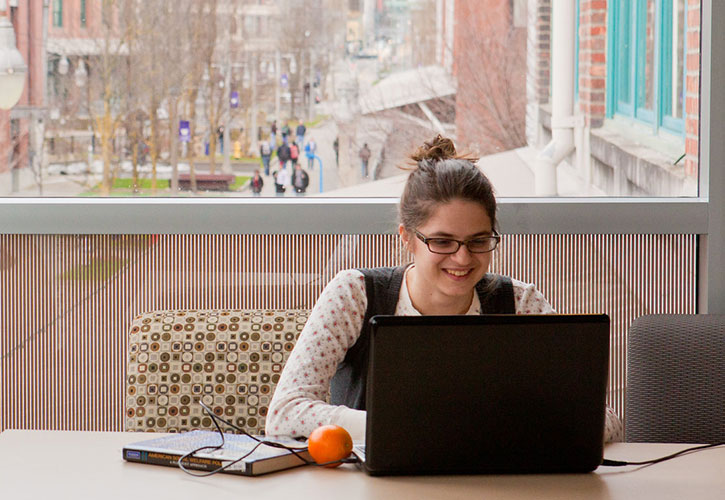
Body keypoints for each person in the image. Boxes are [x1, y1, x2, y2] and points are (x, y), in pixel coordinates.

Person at [265, 135, 623, 443]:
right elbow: (284, 414)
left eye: (478, 240)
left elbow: (606, 422)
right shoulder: (355, 295)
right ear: (407, 237)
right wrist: (405, 429)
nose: (463, 258)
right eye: (442, 241)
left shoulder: (519, 302)